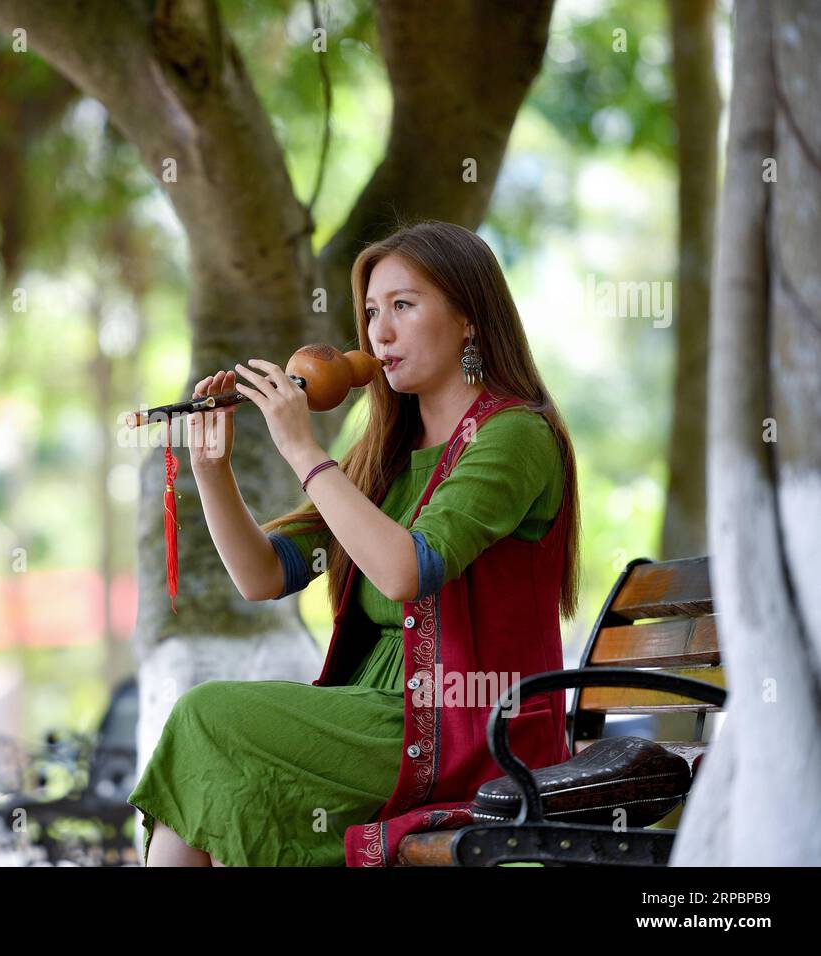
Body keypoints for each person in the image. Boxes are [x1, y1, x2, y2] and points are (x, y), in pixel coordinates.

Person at [127, 220, 581, 866]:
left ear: (470, 319)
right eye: (371, 312)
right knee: (211, 761)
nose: (380, 333)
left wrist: (301, 448)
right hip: (373, 710)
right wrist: (212, 470)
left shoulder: (513, 436)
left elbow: (407, 571)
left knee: (207, 718)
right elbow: (263, 577)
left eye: (403, 305)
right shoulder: (386, 456)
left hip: (463, 720)